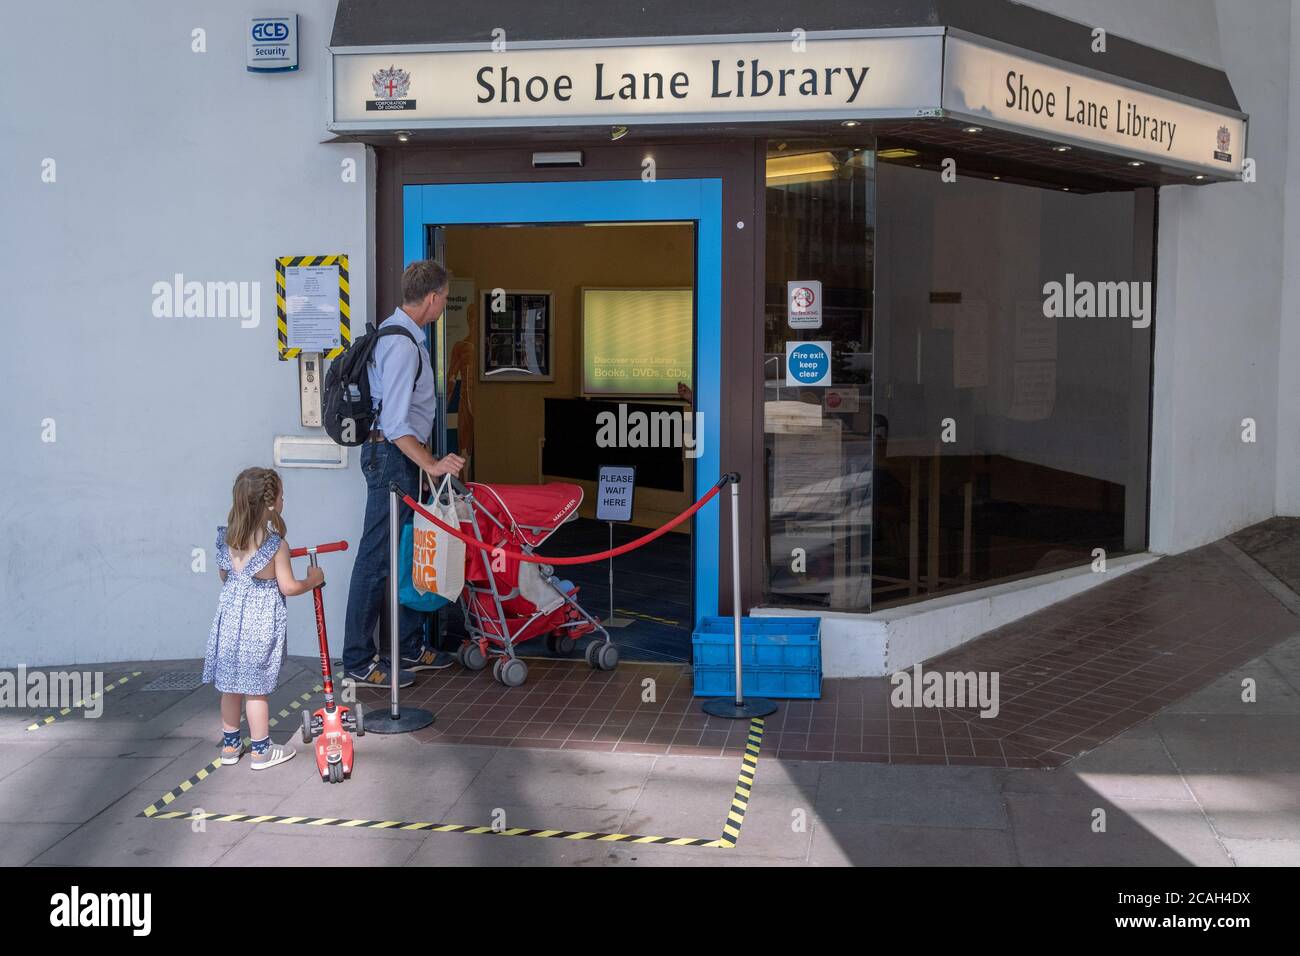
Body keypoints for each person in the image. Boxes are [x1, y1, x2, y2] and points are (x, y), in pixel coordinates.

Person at [342, 259, 466, 687]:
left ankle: (409, 645)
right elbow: (395, 425)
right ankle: (358, 660)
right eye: (445, 299)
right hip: (391, 459)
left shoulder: (405, 338)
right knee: (376, 559)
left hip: (400, 458)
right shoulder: (401, 345)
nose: (444, 306)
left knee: (410, 551)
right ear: (432, 298)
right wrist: (430, 463)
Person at [204, 467, 318, 769]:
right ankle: (261, 750)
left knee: (230, 686)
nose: (284, 500)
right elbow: (289, 587)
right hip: (260, 623)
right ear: (270, 503)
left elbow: (224, 576)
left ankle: (230, 746)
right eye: (281, 496)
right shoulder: (274, 545)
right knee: (256, 689)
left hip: (228, 620)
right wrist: (313, 580)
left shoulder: (226, 538)